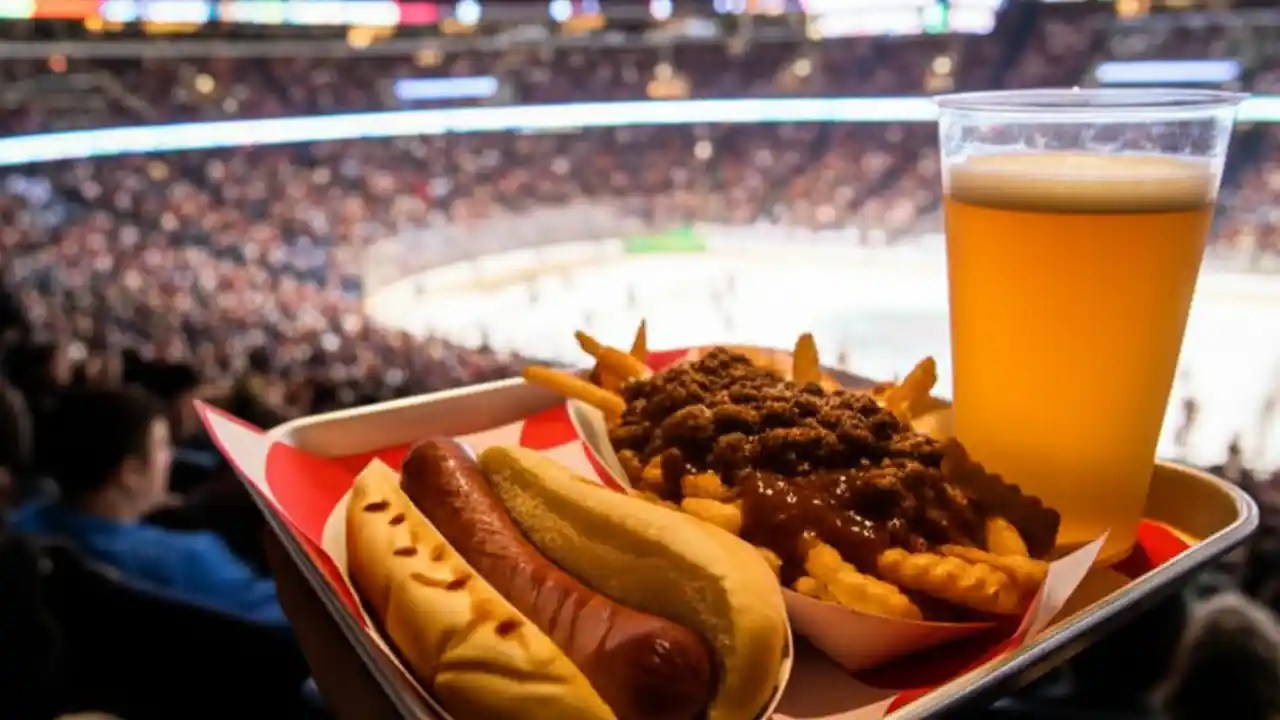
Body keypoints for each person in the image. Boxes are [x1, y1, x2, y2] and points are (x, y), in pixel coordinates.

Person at [12, 386, 288, 627]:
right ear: (129, 473)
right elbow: (297, 618)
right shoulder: (190, 560)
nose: (171, 457)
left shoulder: (19, 527)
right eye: (163, 446)